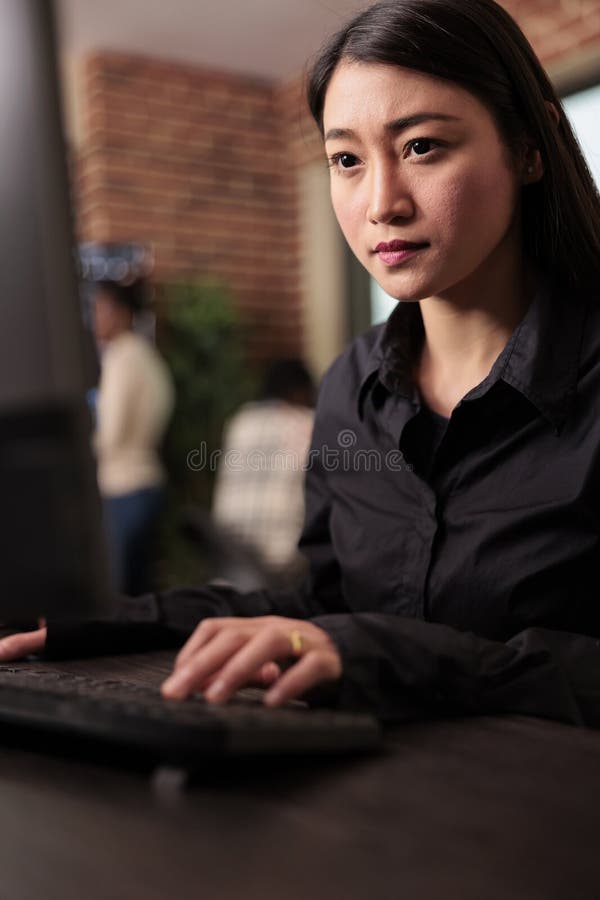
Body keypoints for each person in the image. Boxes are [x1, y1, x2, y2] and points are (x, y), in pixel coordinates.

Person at [2, 0, 600, 728]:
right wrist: (99, 624)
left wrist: (396, 655)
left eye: (422, 147)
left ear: (530, 148)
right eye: (346, 160)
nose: (381, 203)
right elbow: (325, 604)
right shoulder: (352, 383)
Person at [92, 279, 175, 596]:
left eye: (100, 308)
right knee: (140, 593)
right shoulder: (146, 355)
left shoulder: (121, 357)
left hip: (124, 487)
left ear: (121, 312)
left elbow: (109, 434)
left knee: (119, 595)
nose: (96, 317)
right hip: (147, 482)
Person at [211, 358, 316, 587]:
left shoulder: (240, 421)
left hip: (228, 553)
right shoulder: (307, 424)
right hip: (282, 563)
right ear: (300, 392)